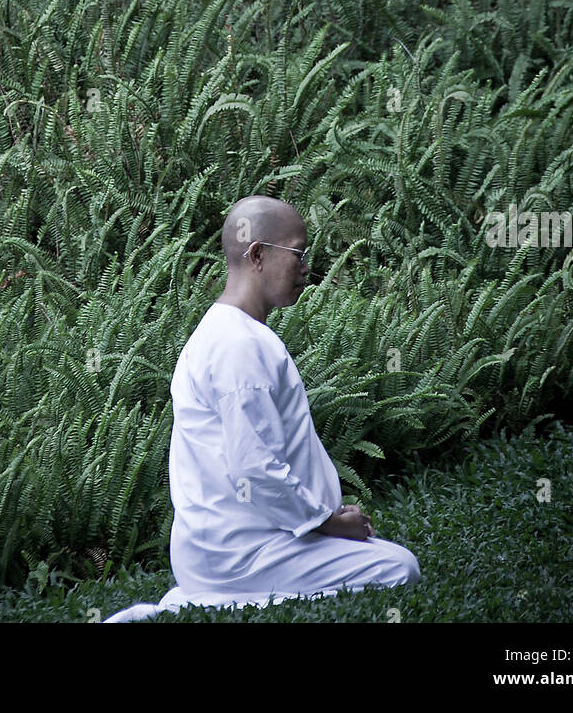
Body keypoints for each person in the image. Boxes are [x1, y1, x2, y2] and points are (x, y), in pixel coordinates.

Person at [102, 195, 421, 621]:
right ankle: (184, 607)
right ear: (257, 254)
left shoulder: (226, 332)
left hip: (232, 545)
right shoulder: (239, 345)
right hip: (241, 551)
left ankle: (198, 599)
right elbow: (254, 469)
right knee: (399, 568)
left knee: (384, 559)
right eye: (298, 253)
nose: (307, 267)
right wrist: (327, 522)